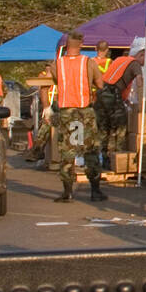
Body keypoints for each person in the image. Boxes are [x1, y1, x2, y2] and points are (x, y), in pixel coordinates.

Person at [51, 30, 107, 203]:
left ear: (66, 45)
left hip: (67, 112)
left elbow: (55, 81)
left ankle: (67, 191)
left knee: (68, 151)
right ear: (81, 45)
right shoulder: (88, 62)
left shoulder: (57, 64)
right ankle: (95, 191)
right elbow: (100, 83)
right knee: (89, 149)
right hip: (85, 111)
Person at [94, 47, 146, 164]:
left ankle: (103, 157)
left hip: (101, 93)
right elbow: (139, 81)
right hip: (112, 93)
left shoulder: (120, 59)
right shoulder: (135, 63)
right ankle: (116, 157)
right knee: (120, 125)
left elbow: (116, 78)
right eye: (144, 62)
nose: (143, 66)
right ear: (141, 55)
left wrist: (126, 101)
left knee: (104, 127)